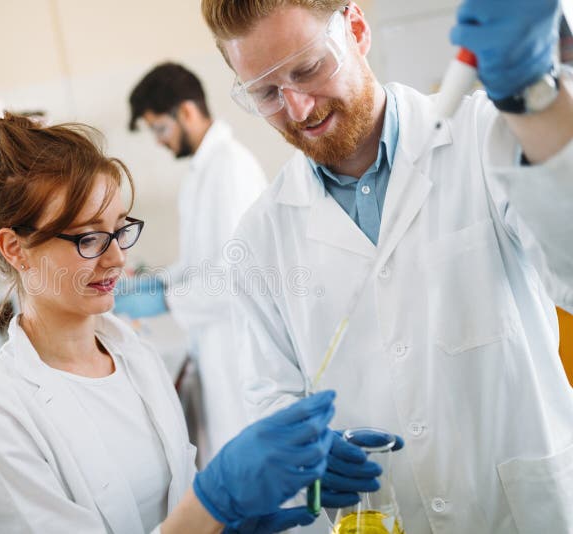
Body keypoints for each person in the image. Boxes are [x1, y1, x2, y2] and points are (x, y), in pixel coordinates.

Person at [200, 0, 573, 532]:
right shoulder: (260, 239)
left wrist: (539, 102)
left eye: (307, 69)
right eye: (266, 92)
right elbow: (272, 398)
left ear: (355, 27)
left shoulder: (483, 138)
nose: (299, 108)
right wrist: (304, 464)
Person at [0, 112, 381, 533]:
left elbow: (171, 511)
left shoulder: (136, 358)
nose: (118, 258)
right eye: (90, 238)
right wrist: (215, 502)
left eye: (119, 229)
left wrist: (223, 524)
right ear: (15, 249)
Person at [119, 62, 267, 460]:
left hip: (241, 356)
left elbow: (237, 277)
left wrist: (164, 300)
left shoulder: (230, 168)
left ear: (186, 112)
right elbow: (198, 261)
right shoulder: (201, 172)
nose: (159, 141)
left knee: (250, 469)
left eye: (159, 129)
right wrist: (156, 284)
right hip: (216, 347)